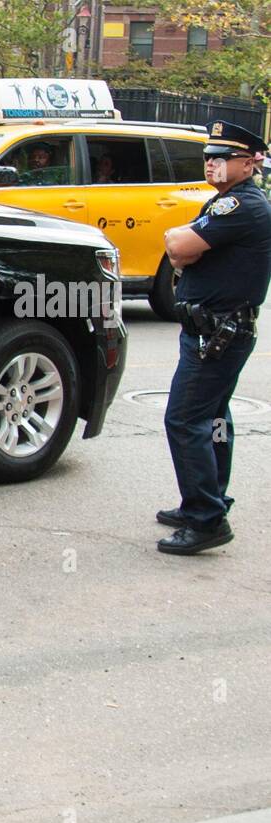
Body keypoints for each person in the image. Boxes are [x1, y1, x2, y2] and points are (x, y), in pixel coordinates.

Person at [158, 120, 271, 555]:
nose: (212, 164)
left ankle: (206, 519)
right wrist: (181, 244)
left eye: (222, 158)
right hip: (218, 329)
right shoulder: (224, 201)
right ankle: (208, 500)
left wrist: (182, 245)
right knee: (215, 420)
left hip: (219, 332)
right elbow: (178, 246)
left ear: (248, 163)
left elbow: (179, 248)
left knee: (184, 419)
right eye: (208, 158)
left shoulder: (240, 205)